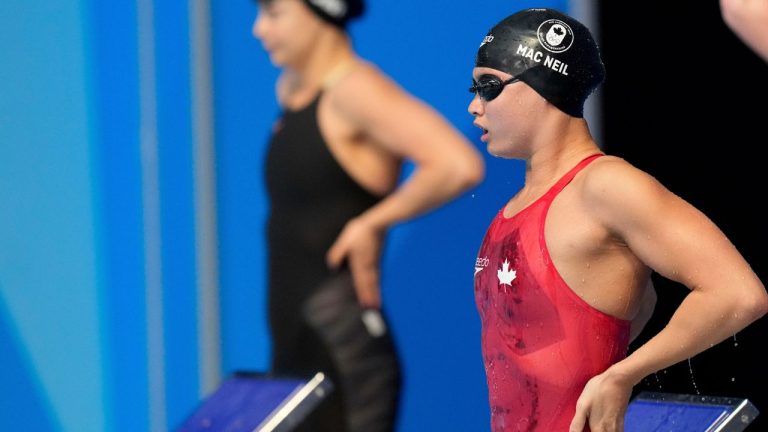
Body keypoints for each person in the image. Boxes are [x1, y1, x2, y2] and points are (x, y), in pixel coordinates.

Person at [467, 7, 768, 432]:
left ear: (541, 85)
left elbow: (738, 293)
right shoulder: (515, 207)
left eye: (488, 86)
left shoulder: (606, 186)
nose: (473, 106)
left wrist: (622, 374)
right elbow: (634, 304)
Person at [251, 0, 485, 431]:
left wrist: (372, 222)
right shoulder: (292, 92)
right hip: (296, 343)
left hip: (343, 349)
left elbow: (458, 165)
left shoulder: (355, 91)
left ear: (323, 12)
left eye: (273, 13)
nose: (258, 29)